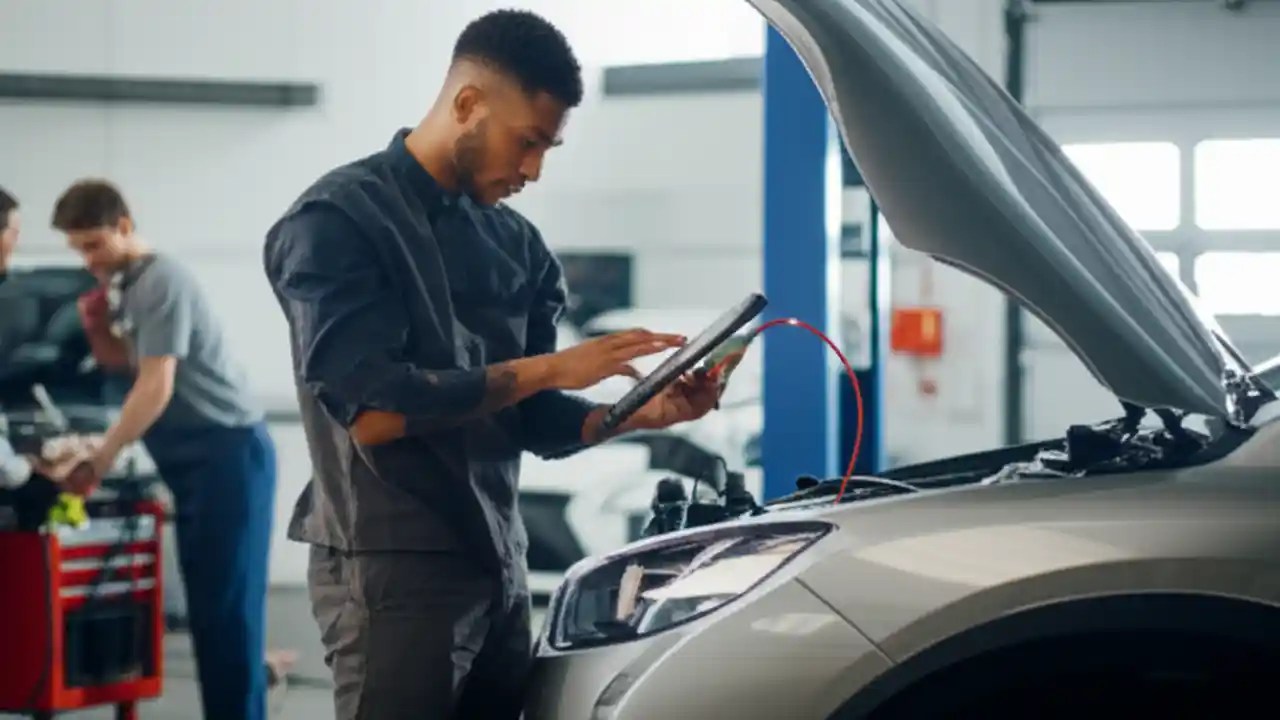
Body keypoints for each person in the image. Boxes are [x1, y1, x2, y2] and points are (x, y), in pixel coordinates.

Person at [263, 9, 721, 720]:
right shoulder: (336, 223)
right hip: (394, 566)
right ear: (467, 104)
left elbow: (533, 423)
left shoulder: (520, 247)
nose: (533, 170)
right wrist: (550, 368)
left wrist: (631, 415)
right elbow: (378, 414)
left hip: (498, 561)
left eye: (550, 150)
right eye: (527, 143)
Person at [52, 179, 287, 720]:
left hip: (228, 455)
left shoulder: (163, 279)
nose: (88, 260)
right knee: (210, 613)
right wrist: (101, 331)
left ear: (125, 227)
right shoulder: (128, 285)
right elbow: (130, 367)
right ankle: (246, 687)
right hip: (195, 461)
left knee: (228, 613)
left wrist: (101, 457)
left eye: (94, 245)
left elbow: (155, 385)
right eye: (78, 249)